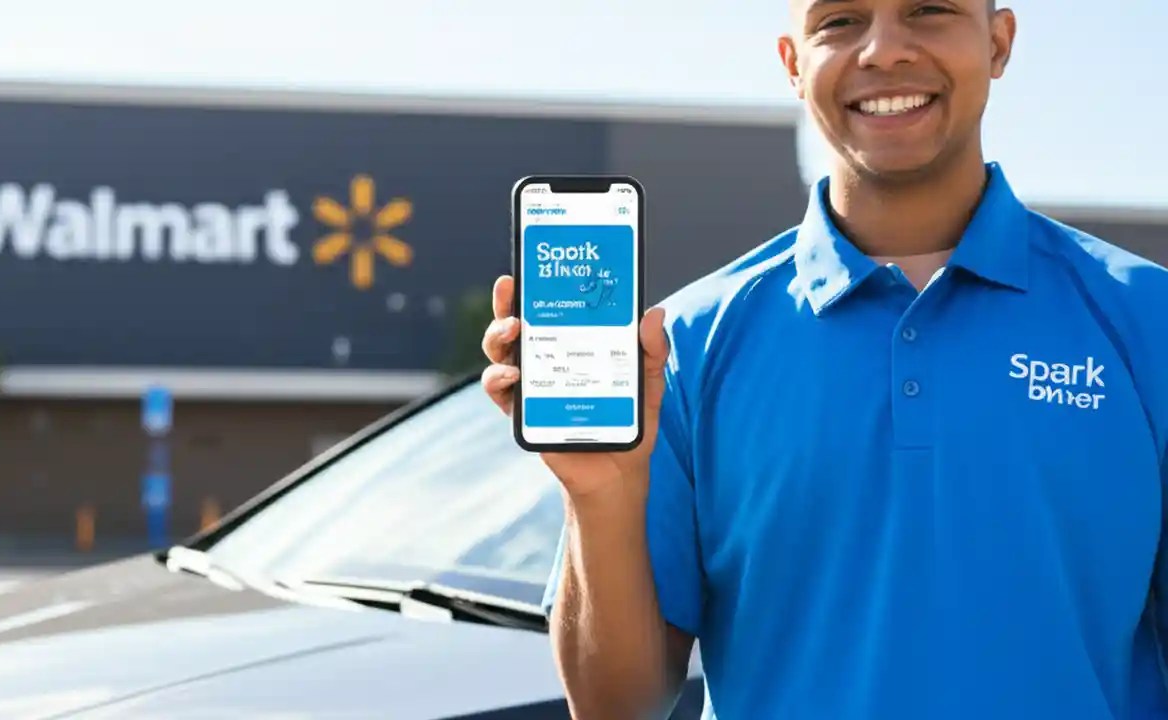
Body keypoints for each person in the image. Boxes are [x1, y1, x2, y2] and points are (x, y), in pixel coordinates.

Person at [482, 1, 1168, 718]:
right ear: (792, 63)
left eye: (929, 10)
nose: (883, 50)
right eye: (840, 20)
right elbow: (616, 708)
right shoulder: (687, 344)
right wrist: (597, 498)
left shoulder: (1148, 321)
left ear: (998, 43)